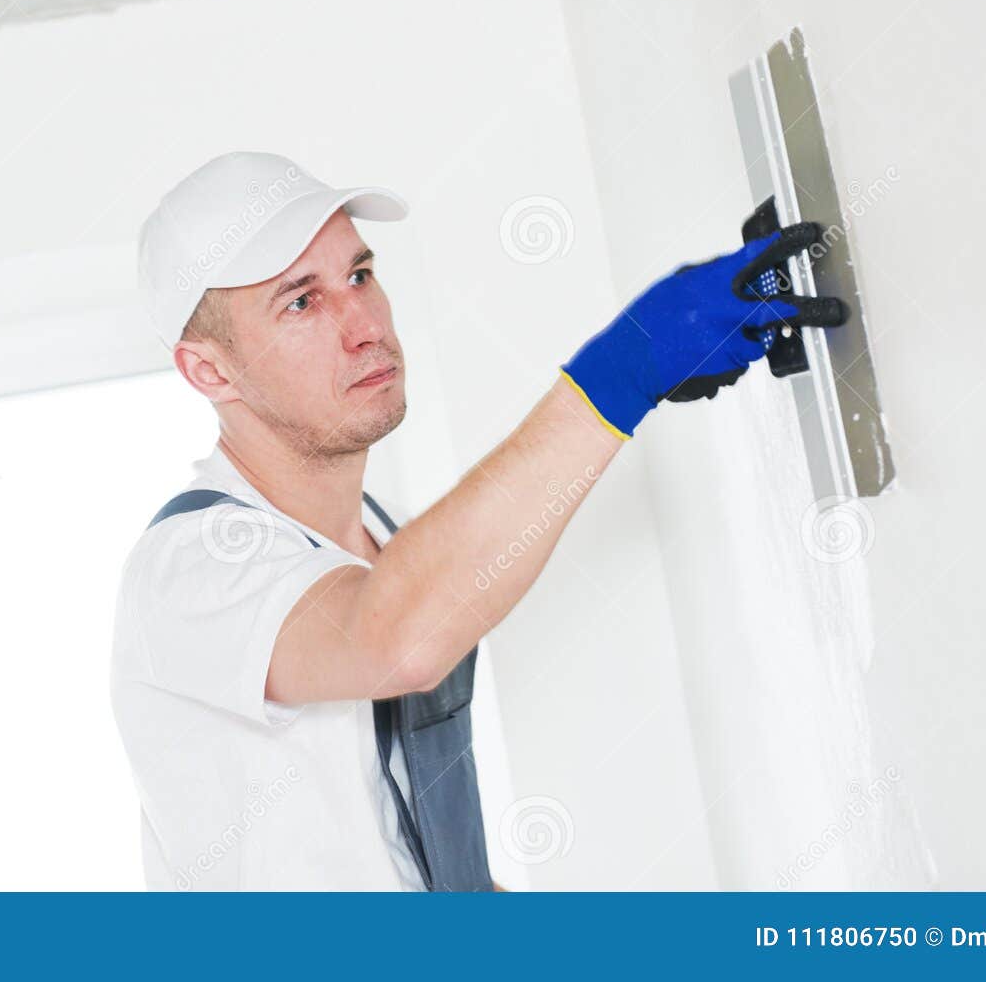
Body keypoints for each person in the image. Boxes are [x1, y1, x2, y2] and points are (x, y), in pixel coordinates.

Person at [109, 151, 846, 891]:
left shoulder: (384, 541)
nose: (363, 324)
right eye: (301, 301)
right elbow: (393, 637)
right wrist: (629, 366)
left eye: (359, 275)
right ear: (210, 371)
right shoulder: (189, 569)